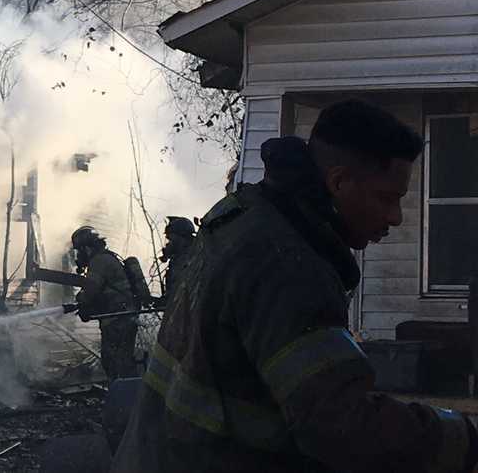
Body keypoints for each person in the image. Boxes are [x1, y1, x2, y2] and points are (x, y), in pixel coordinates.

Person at [112, 100, 478, 472]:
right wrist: (460, 439)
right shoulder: (287, 264)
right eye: (387, 198)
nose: (395, 218)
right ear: (338, 182)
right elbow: (339, 424)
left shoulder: (243, 214)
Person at [71, 226, 139, 381]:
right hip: (122, 317)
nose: (78, 255)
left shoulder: (99, 261)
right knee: (122, 361)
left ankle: (126, 399)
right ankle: (129, 396)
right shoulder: (107, 258)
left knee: (115, 362)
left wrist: (80, 300)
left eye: (79, 251)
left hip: (118, 320)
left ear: (86, 248)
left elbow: (90, 291)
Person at [160, 215, 196, 309]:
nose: (167, 244)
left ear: (181, 239)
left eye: (170, 239)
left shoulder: (191, 260)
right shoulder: (178, 260)